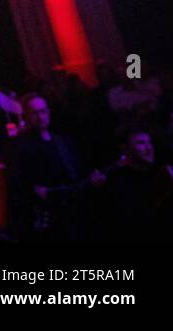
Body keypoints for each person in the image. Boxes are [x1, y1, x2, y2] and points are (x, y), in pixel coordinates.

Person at [10, 93, 103, 242]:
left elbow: (79, 174)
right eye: (35, 113)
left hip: (74, 212)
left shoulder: (65, 142)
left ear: (49, 112)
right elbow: (19, 182)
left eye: (43, 111)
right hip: (48, 217)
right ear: (26, 115)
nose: (40, 117)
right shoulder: (20, 147)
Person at [98, 127, 173, 242]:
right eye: (141, 143)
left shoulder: (159, 173)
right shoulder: (118, 181)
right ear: (125, 149)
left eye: (150, 142)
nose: (149, 148)